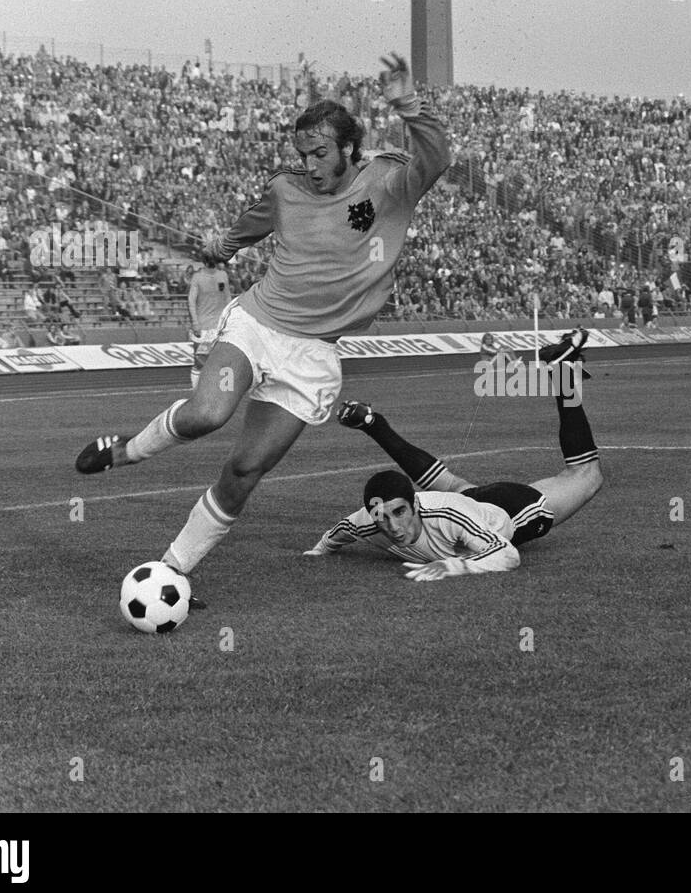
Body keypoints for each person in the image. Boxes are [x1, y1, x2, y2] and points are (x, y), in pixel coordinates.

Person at [74, 53, 451, 603]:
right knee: (208, 413)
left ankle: (173, 571)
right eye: (302, 154)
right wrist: (221, 248)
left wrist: (407, 104)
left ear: (348, 148)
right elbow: (245, 229)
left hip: (313, 356)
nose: (311, 165)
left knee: (245, 468)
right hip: (259, 324)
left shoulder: (390, 183)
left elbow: (436, 159)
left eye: (320, 153)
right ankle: (127, 449)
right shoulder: (285, 190)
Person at [304, 329, 601, 580]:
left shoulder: (446, 516)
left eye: (399, 513)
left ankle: (563, 372)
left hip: (515, 510)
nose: (392, 527)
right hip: (471, 499)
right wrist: (317, 550)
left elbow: (507, 554)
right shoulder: (367, 520)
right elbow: (337, 533)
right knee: (453, 486)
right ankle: (372, 424)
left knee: (587, 475)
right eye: (383, 517)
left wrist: (453, 565)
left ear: (415, 505)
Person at [187, 259, 233, 388]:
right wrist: (195, 323)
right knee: (200, 363)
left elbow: (228, 297)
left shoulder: (223, 275)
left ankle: (225, 393)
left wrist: (229, 319)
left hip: (220, 326)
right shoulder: (197, 277)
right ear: (205, 261)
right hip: (203, 326)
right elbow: (191, 301)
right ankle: (196, 394)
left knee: (225, 362)